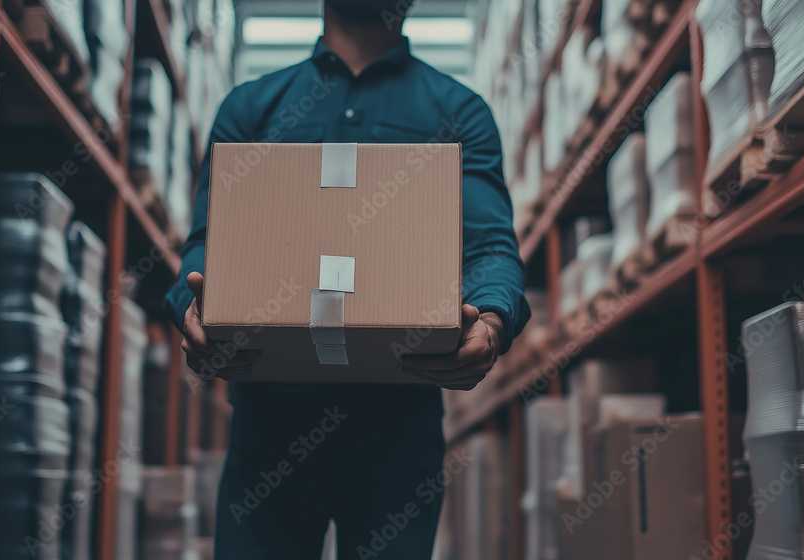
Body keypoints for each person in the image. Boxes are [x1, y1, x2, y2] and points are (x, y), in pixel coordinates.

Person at [165, 0, 530, 557]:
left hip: (399, 425)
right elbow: (205, 246)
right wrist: (194, 310)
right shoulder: (251, 108)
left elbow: (490, 247)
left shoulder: (460, 111)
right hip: (269, 422)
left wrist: (494, 320)